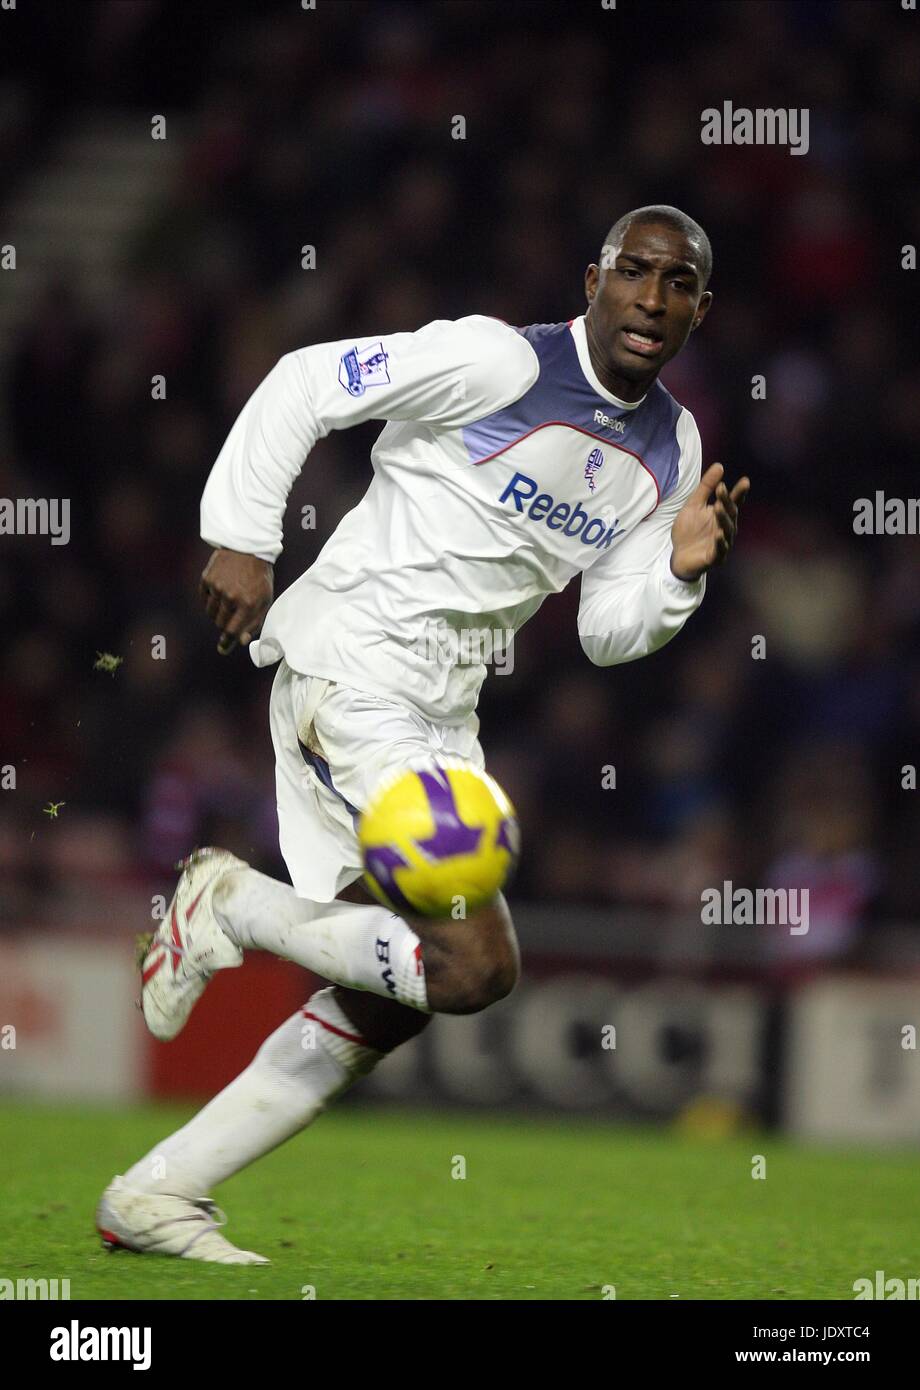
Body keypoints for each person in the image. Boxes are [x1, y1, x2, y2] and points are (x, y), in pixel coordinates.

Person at [96, 205, 749, 1263]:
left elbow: (602, 633)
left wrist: (676, 572)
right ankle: (232, 903)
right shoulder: (494, 362)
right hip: (353, 663)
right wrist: (243, 535)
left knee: (402, 993)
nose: (651, 298)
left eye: (677, 284)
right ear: (593, 278)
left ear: (698, 310)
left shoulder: (670, 447)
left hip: (441, 712)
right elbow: (308, 380)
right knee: (478, 968)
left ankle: (155, 1194)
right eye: (634, 271)